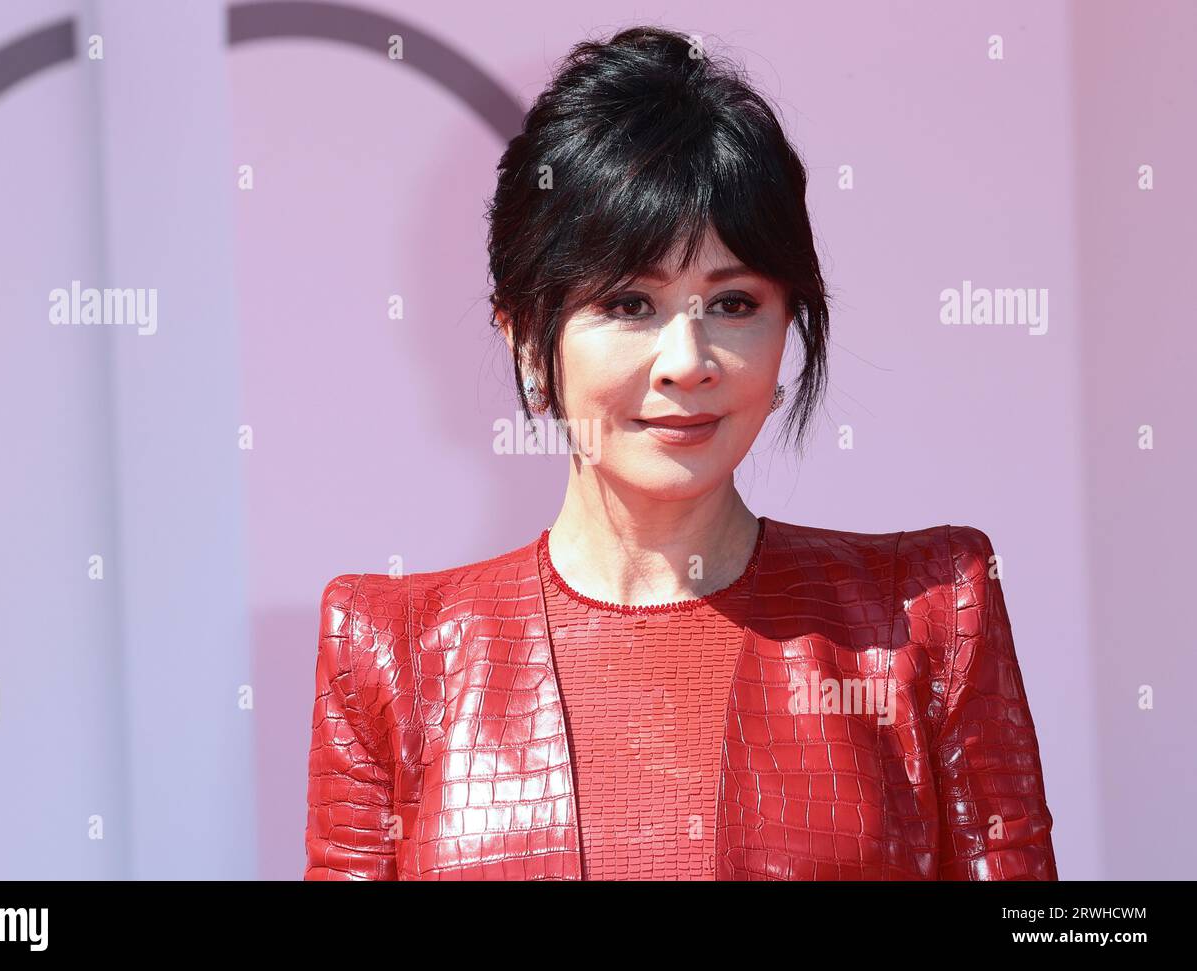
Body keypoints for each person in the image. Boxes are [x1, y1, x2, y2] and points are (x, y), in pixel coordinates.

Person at [304, 24, 1057, 881]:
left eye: (734, 302)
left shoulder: (927, 617)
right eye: (630, 304)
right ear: (525, 340)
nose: (689, 361)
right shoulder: (392, 652)